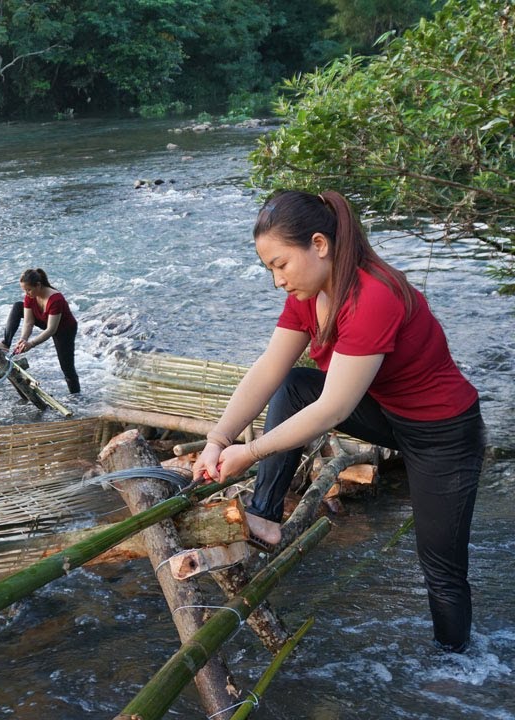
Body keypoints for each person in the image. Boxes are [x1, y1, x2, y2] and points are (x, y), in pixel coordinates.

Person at [192, 190, 485, 653]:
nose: (276, 281)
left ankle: (455, 665)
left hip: (443, 435)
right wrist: (217, 438)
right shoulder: (311, 294)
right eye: (269, 268)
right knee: (292, 382)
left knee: (441, 567)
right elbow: (269, 369)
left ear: (319, 244)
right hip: (389, 414)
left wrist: (247, 452)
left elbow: (333, 409)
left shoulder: (374, 296)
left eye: (281, 264)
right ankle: (265, 517)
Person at [0, 268, 80, 393]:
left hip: (64, 330)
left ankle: (76, 397)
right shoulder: (30, 296)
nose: (27, 293)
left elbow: (51, 330)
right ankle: (6, 343)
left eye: (29, 289)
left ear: (38, 285)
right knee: (17, 306)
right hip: (45, 320)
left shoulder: (55, 299)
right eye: (24, 290)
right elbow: (28, 322)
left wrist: (31, 344)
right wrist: (23, 339)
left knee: (67, 368)